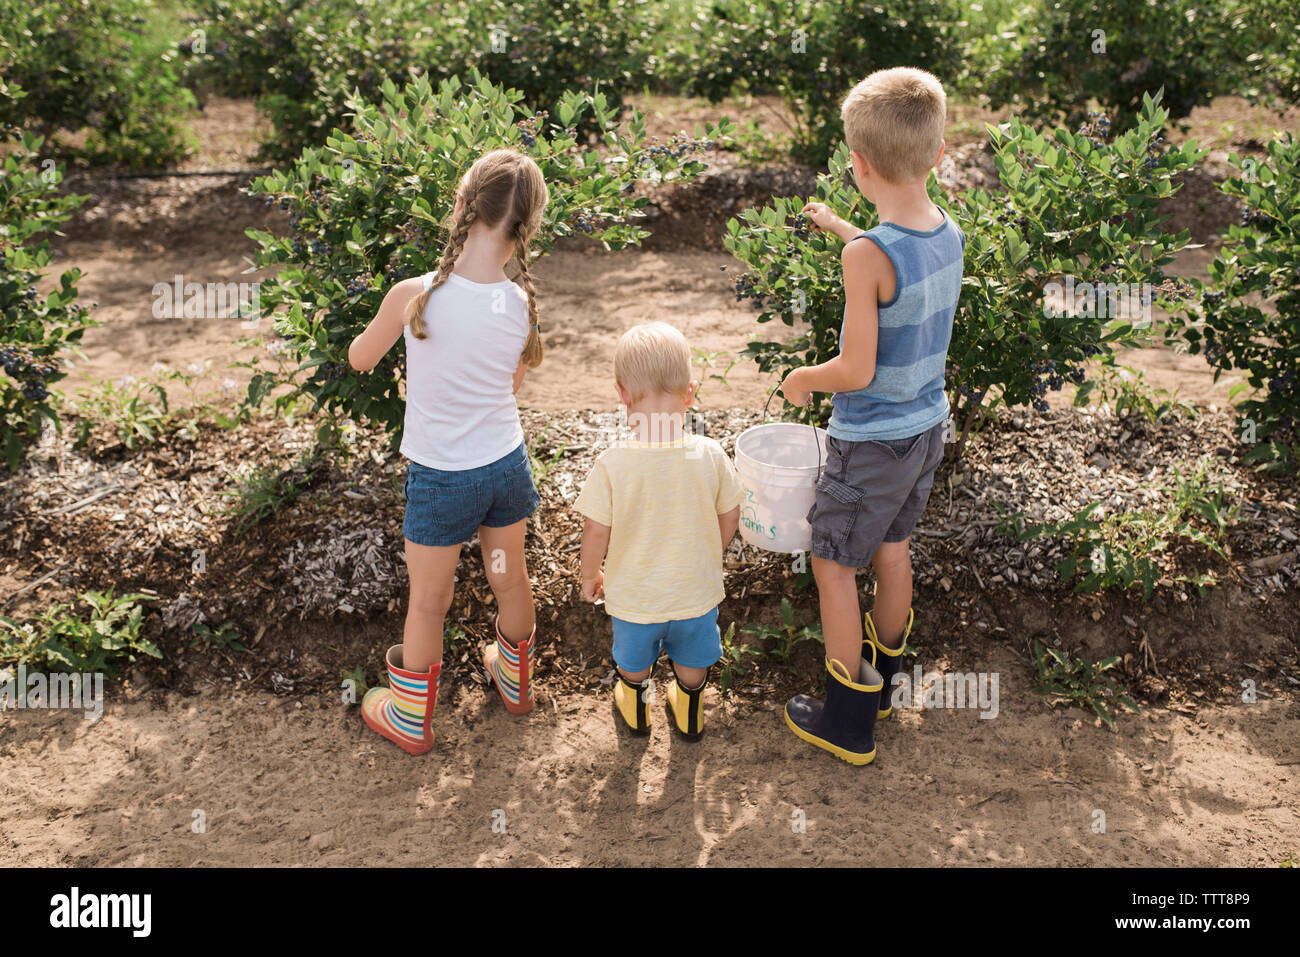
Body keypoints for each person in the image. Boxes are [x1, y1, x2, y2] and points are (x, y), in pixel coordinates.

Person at [779, 67, 965, 765]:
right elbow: (900, 270)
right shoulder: (946, 230)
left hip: (871, 441)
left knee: (832, 565)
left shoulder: (867, 257)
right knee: (892, 549)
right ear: (937, 154)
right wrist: (845, 229)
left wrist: (803, 378)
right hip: (924, 433)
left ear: (857, 163)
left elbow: (855, 371)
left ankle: (849, 722)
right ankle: (885, 677)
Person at [347, 149, 549, 754]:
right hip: (505, 468)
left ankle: (410, 721)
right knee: (508, 579)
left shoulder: (416, 295)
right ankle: (516, 685)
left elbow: (360, 358)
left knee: (429, 603)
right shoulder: (520, 304)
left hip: (442, 480)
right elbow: (509, 384)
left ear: (461, 207)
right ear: (525, 230)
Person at [574, 322, 744, 740]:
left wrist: (589, 575)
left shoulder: (614, 463)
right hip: (694, 591)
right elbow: (731, 513)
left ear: (622, 395)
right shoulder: (709, 454)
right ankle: (689, 712)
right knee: (692, 661)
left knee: (633, 660)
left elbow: (596, 529)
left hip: (635, 597)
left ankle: (635, 706)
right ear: (690, 392)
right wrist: (711, 551)